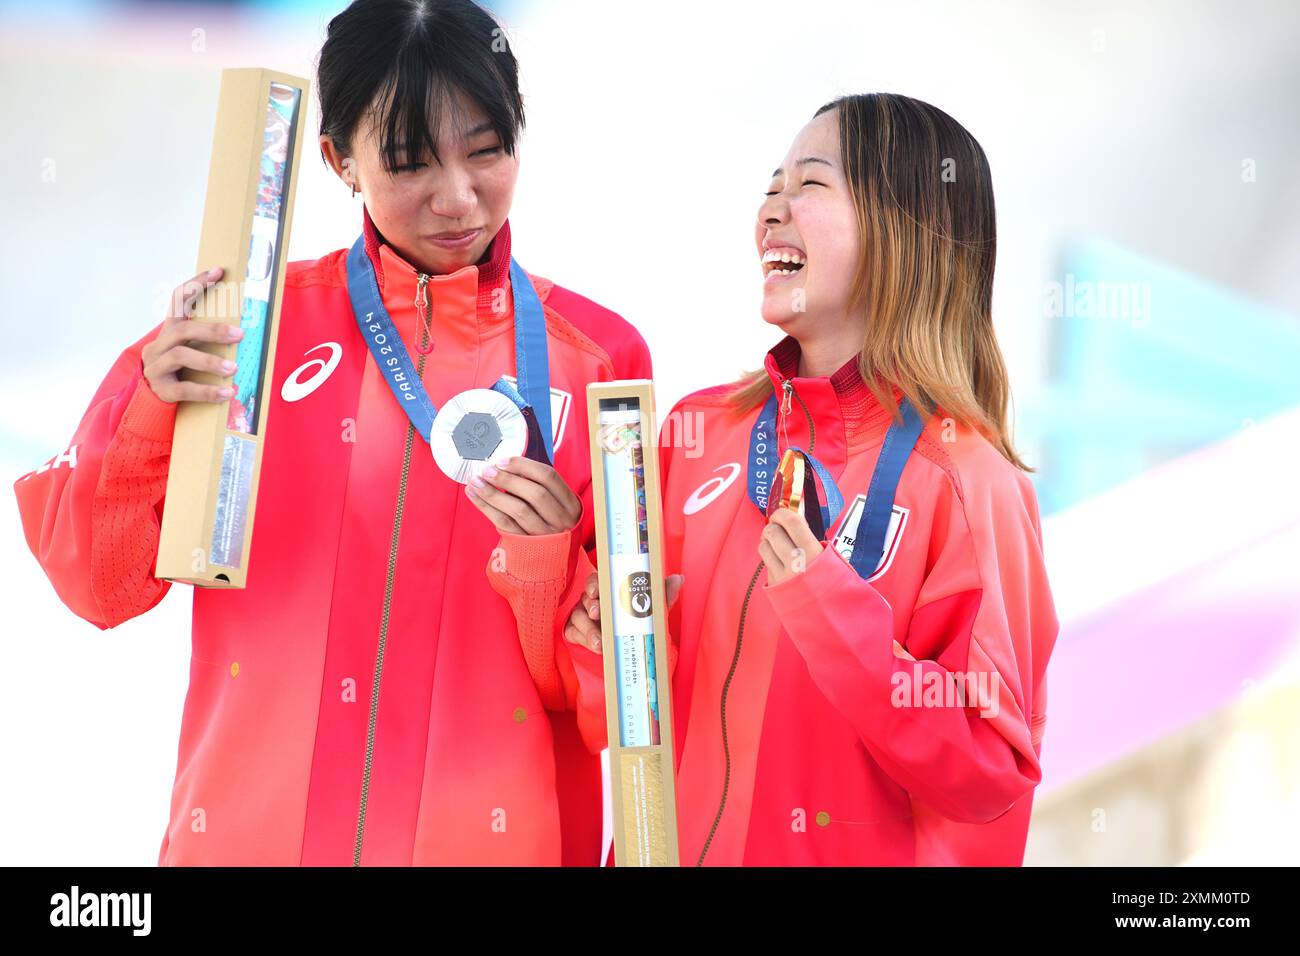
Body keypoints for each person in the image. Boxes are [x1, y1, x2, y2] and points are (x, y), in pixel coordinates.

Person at [13, 0, 650, 866]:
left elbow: (627, 706)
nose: (457, 197)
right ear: (337, 160)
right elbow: (103, 585)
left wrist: (545, 570)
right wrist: (148, 415)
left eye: (488, 150)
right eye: (408, 162)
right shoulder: (243, 336)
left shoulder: (600, 360)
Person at [526, 93, 1059, 865]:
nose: (772, 209)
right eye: (771, 186)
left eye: (809, 185)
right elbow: (618, 719)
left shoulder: (969, 481)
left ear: (905, 230)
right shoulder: (698, 432)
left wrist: (830, 607)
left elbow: (992, 771)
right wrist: (605, 646)